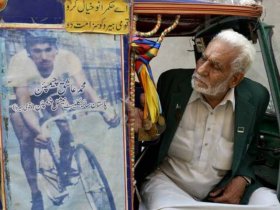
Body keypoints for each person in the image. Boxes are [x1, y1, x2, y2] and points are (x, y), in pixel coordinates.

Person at [134, 29, 280, 209]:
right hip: (169, 183)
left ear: (235, 79)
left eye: (216, 66)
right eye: (203, 58)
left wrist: (243, 177)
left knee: (272, 205)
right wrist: (140, 117)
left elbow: (251, 145)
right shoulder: (171, 83)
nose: (201, 70)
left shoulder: (256, 97)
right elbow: (149, 121)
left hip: (222, 187)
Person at [6, 31, 120, 210]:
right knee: (27, 140)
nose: (43, 56)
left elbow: (87, 89)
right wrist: (38, 130)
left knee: (67, 127)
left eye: (47, 49)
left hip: (50, 93)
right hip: (23, 101)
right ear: (28, 51)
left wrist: (105, 111)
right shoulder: (19, 62)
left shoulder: (68, 57)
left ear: (56, 49)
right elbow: (24, 102)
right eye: (36, 51)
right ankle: (36, 194)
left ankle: (64, 167)